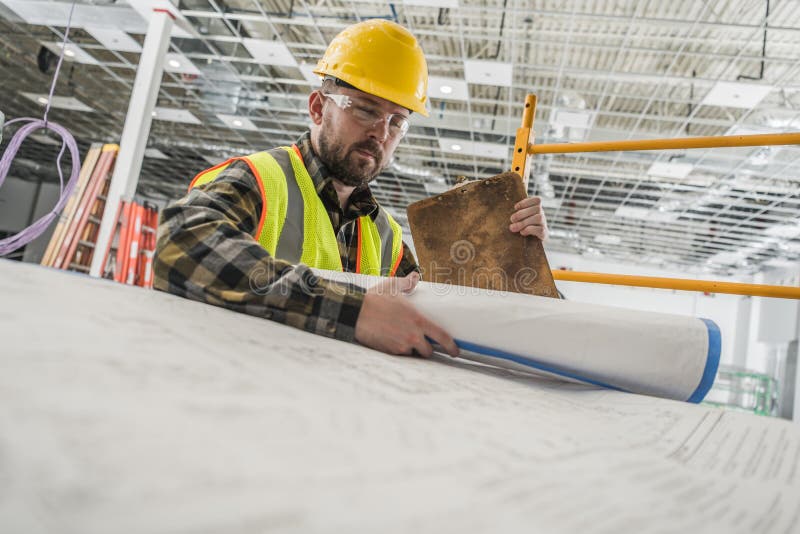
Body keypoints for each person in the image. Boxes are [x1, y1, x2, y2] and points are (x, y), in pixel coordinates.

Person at [153, 19, 548, 359]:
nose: (381, 132)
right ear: (318, 108)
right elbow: (181, 244)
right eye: (365, 109)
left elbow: (445, 313)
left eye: (397, 121)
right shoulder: (258, 179)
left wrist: (520, 256)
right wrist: (354, 311)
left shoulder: (386, 237)